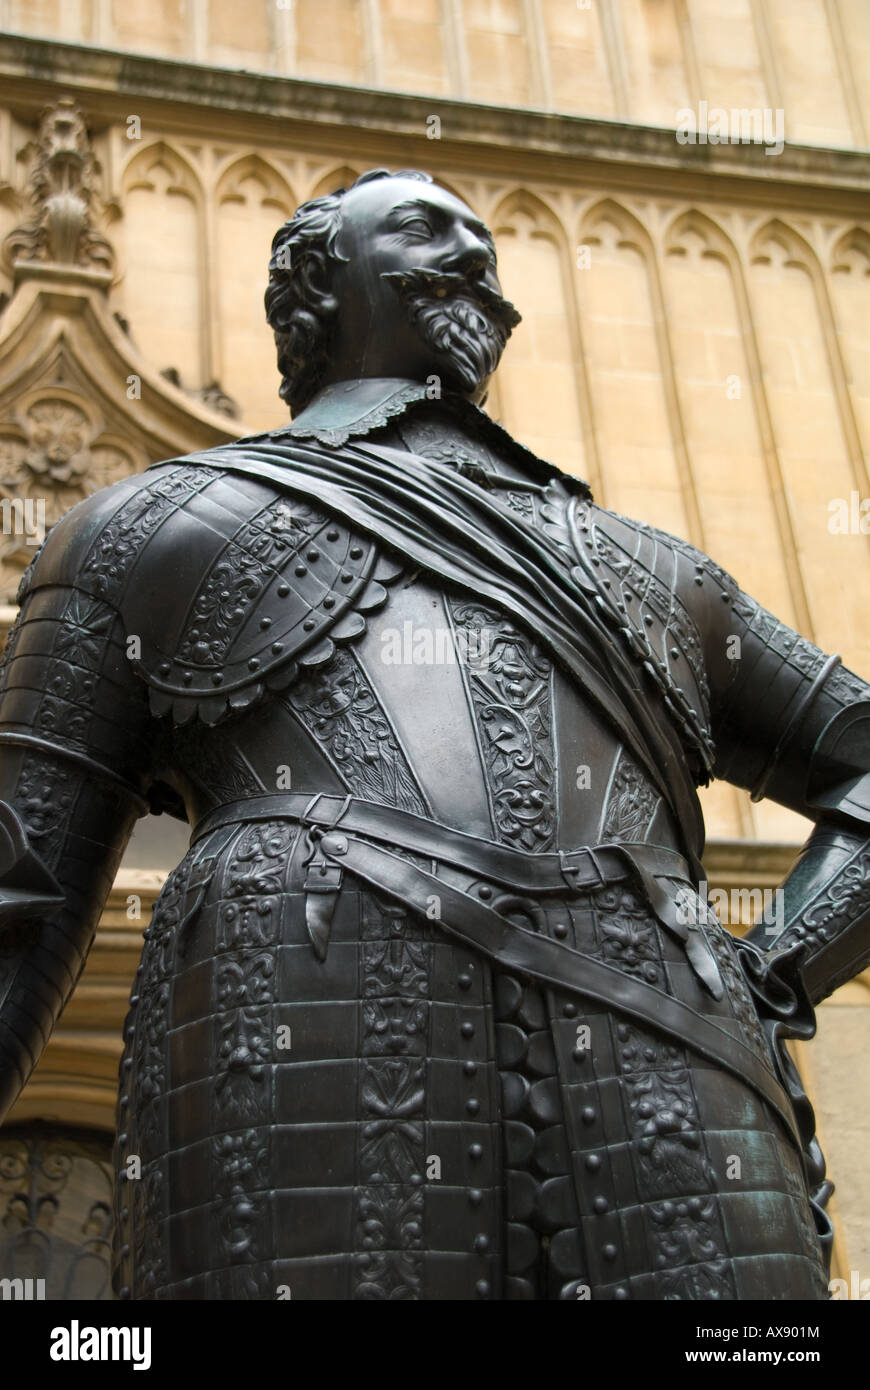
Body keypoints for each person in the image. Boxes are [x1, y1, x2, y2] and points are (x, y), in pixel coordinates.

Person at [0, 169, 868, 1300]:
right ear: (317, 285)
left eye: (484, 239)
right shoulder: (153, 529)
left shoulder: (652, 569)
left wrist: (769, 974)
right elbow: (18, 908)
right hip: (310, 1056)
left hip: (677, 1083)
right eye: (423, 229)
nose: (473, 257)